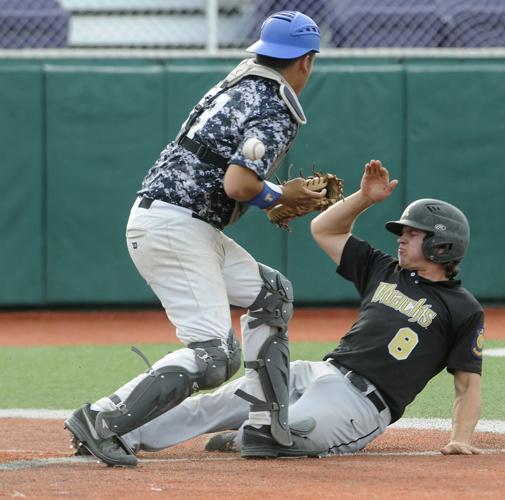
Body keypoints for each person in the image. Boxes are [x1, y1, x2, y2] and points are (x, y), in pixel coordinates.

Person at [64, 10, 325, 467]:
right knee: (214, 356)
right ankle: (101, 419)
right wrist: (281, 194)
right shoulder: (274, 104)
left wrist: (269, 197)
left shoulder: (237, 83)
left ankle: (266, 426)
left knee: (270, 294)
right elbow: (239, 184)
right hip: (175, 227)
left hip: (180, 221)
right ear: (307, 61)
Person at [107, 159, 484, 459]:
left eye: (413, 234)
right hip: (315, 371)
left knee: (284, 436)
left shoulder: (462, 308)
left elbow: (467, 384)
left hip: (362, 403)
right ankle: (120, 429)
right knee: (217, 403)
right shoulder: (385, 270)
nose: (402, 238)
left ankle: (246, 437)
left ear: (442, 245)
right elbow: (325, 230)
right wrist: (364, 198)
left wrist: (460, 439)